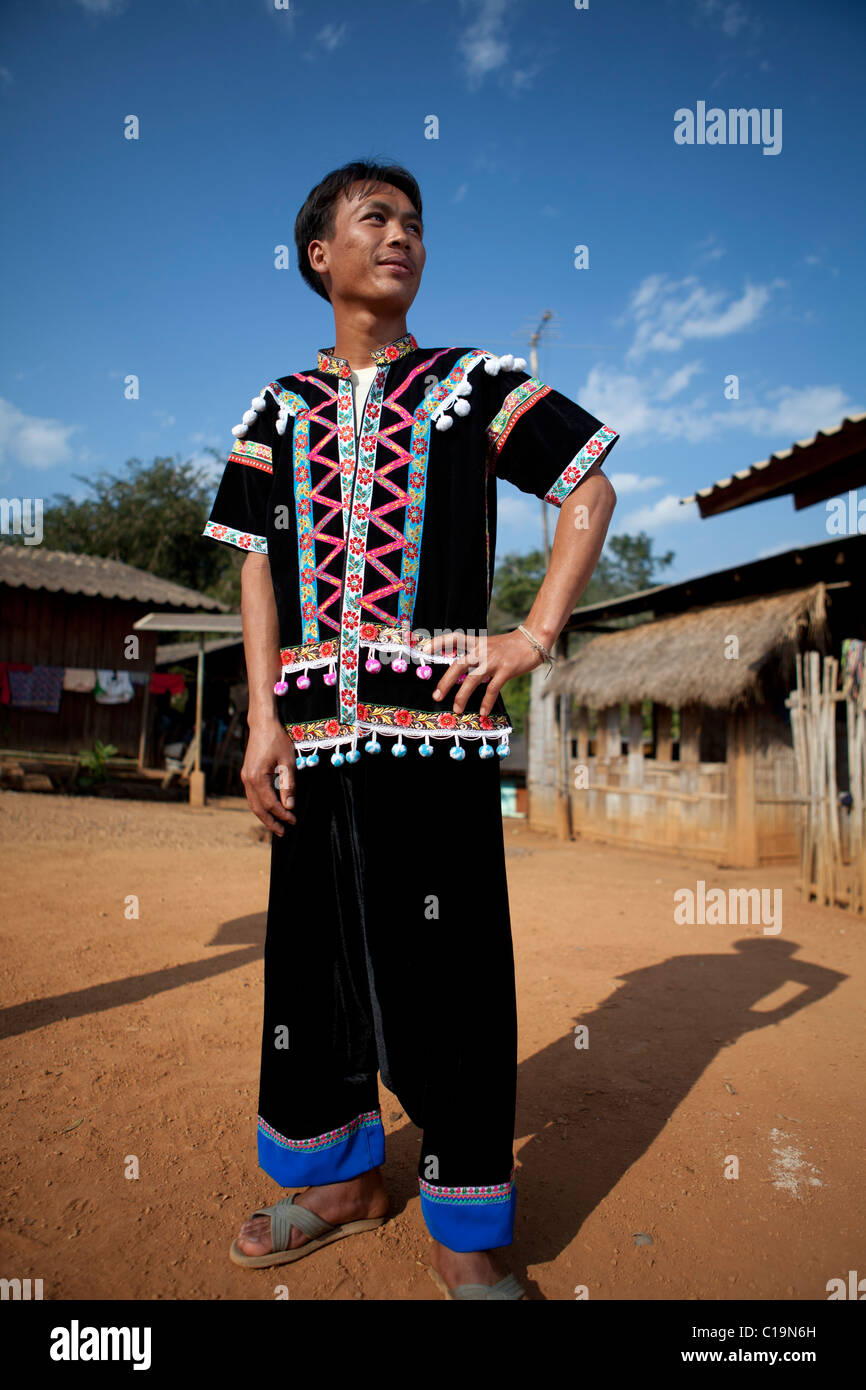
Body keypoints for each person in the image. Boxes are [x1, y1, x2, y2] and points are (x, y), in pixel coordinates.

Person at [202, 159, 619, 1300]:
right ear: (318, 259)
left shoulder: (472, 383)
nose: (401, 236)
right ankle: (340, 1181)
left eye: (413, 223)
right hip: (309, 741)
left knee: (452, 975)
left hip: (434, 733)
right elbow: (254, 575)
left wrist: (528, 637)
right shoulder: (272, 411)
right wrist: (261, 722)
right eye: (372, 219)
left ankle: (465, 1227)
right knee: (311, 970)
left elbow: (586, 493)